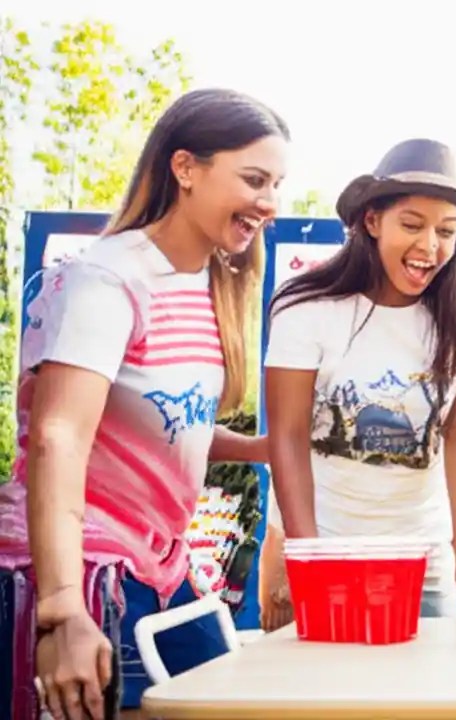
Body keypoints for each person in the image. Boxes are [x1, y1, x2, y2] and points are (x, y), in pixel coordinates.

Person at [0, 87, 287, 720]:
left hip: (161, 563)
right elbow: (59, 436)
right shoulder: (109, 277)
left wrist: (265, 449)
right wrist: (62, 612)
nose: (269, 202)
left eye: (277, 184)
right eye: (254, 179)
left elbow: (165, 420)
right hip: (86, 568)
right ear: (185, 168)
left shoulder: (204, 280)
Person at [260, 138, 456, 626]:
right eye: (412, 225)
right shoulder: (306, 307)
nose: (430, 246)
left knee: (426, 702)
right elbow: (287, 435)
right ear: (372, 221)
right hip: (320, 543)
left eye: (446, 232)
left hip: (420, 562)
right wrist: (305, 561)